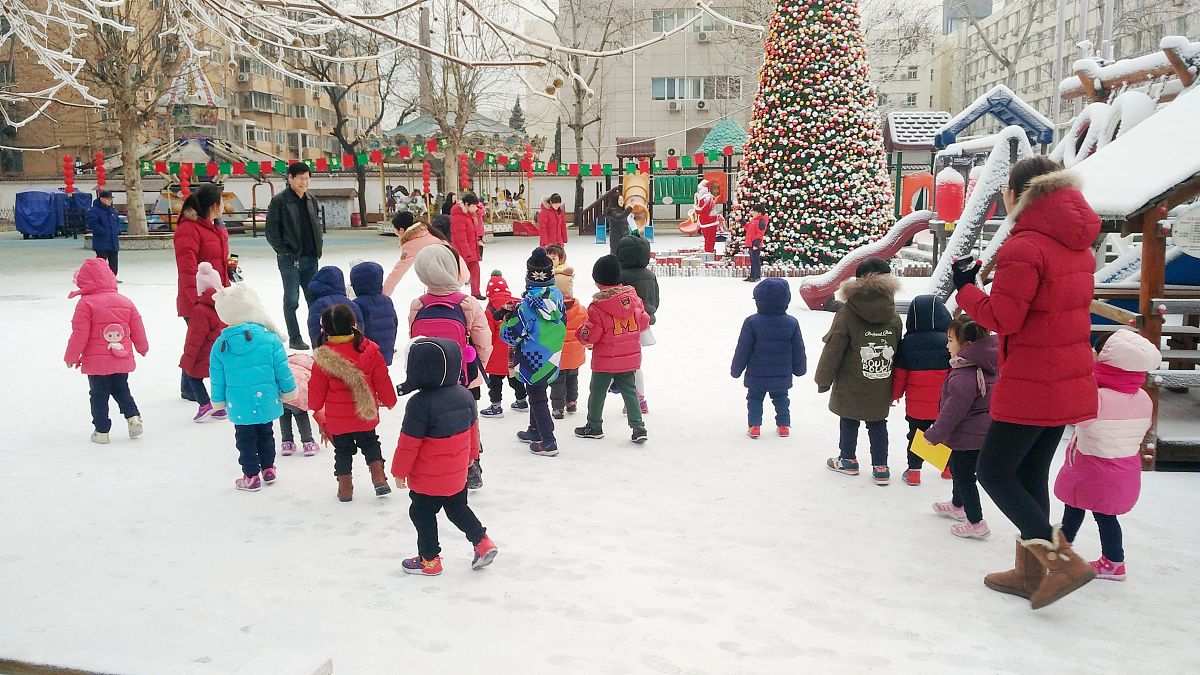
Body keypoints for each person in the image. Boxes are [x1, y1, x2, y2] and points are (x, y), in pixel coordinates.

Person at [953, 157, 1100, 609]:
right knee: (1030, 471)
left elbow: (1003, 318)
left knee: (993, 471)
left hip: (1033, 381)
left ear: (1018, 194)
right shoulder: (1077, 246)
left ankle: (1059, 562)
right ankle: (1031, 575)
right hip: (1067, 379)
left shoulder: (1025, 246)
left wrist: (966, 288)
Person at [1055, 329, 1159, 582]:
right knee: (1101, 514)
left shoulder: (1097, 397)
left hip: (1091, 466)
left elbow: (1076, 417)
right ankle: (1108, 559)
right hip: (1123, 467)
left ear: (1108, 359)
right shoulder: (1144, 398)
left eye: (1096, 351)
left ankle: (1068, 553)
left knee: (1077, 507)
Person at [392, 337, 498, 576]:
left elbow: (409, 444)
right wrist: (472, 457)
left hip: (427, 480)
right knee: (458, 509)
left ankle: (429, 560)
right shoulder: (465, 395)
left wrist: (399, 472)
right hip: (457, 474)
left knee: (421, 513)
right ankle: (482, 542)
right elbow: (473, 431)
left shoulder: (419, 404)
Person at [816, 258, 902, 485]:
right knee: (878, 422)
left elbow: (834, 348)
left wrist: (823, 379)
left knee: (849, 418)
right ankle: (881, 467)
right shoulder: (893, 317)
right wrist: (897, 385)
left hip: (850, 381)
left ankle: (848, 459)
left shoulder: (846, 314)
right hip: (881, 382)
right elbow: (898, 351)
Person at [208, 283, 298, 492]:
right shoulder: (270, 339)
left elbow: (217, 376)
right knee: (266, 432)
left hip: (238, 402)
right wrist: (288, 390)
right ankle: (268, 468)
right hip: (266, 398)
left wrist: (218, 401)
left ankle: (251, 475)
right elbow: (281, 368)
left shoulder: (221, 345)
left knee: (245, 438)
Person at [309, 305, 398, 502]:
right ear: (353, 324)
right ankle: (379, 479)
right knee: (371, 444)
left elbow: (316, 390)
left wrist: (314, 405)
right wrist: (390, 400)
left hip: (338, 420)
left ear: (324, 329)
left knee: (342, 451)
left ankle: (345, 489)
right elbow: (382, 379)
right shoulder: (369, 350)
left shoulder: (322, 358)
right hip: (364, 413)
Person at [926, 316, 998, 539]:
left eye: (950, 340)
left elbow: (953, 411)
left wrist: (935, 434)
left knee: (964, 475)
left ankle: (976, 521)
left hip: (967, 436)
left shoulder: (964, 376)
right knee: (960, 470)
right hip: (982, 433)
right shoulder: (987, 366)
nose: (947, 345)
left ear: (967, 345)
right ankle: (958, 505)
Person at [64, 258, 149, 444]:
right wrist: (142, 347)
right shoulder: (125, 301)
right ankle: (133, 417)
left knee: (98, 395)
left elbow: (79, 334)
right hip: (121, 357)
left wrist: (71, 356)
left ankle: (101, 431)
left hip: (97, 363)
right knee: (122, 389)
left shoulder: (86, 304)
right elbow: (137, 326)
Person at [575, 254, 650, 444]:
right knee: (630, 391)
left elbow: (592, 335)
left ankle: (594, 425)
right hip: (629, 358)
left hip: (605, 360)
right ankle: (638, 426)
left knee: (597, 392)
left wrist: (580, 333)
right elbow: (643, 322)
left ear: (597, 282)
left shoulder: (598, 307)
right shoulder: (634, 300)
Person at [500, 248, 567, 457]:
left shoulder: (526, 307)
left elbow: (511, 336)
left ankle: (548, 441)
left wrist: (505, 321)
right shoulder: (557, 298)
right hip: (552, 356)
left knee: (537, 398)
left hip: (532, 359)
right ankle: (534, 429)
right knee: (538, 392)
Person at [730, 278, 807, 439]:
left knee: (754, 398)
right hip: (781, 373)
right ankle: (784, 426)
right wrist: (800, 369)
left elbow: (743, 348)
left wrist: (736, 369)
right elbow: (798, 348)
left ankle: (754, 426)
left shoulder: (752, 322)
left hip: (757, 373)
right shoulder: (792, 323)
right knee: (781, 398)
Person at [174, 184, 230, 400]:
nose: (224, 205)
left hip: (217, 296)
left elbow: (218, 260)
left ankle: (189, 385)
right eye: (222, 201)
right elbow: (187, 269)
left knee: (203, 341)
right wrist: (198, 301)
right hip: (197, 300)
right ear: (214, 205)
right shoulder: (188, 229)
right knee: (199, 342)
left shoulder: (215, 226)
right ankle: (190, 386)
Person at [891, 295, 952, 486]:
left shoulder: (907, 343)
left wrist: (895, 394)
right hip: (945, 403)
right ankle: (948, 468)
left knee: (917, 435)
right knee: (947, 433)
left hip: (917, 406)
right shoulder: (949, 341)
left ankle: (914, 472)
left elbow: (900, 374)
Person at [266, 162, 323, 351]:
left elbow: (316, 226)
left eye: (307, 178)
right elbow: (271, 231)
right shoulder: (279, 201)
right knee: (292, 300)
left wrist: (318, 248)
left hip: (311, 258)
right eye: (301, 178)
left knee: (314, 300)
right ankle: (295, 337)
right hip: (290, 259)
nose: (304, 182)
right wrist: (284, 251)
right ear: (290, 178)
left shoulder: (311, 200)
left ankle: (317, 336)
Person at [179, 262, 228, 422]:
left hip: (204, 353)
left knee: (193, 378)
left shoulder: (200, 310)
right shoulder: (224, 305)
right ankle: (219, 406)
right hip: (221, 351)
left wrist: (187, 358)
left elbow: (194, 338)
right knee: (218, 378)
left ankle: (205, 404)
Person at [617, 232, 659, 413]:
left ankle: (629, 396)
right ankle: (639, 398)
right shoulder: (650, 275)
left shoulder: (621, 275)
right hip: (643, 323)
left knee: (623, 362)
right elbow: (656, 299)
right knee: (634, 363)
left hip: (624, 325)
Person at [382, 213, 468, 296]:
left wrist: (383, 295)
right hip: (459, 272)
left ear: (401, 230)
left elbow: (397, 273)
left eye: (394, 228)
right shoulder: (426, 233)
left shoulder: (412, 244)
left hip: (449, 278)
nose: (394, 231)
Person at [480, 271, 528, 418]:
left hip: (497, 355)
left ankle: (496, 406)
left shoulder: (490, 311)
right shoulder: (517, 305)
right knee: (515, 378)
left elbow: (488, 335)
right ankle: (522, 402)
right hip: (515, 350)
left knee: (495, 382)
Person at [551, 266, 587, 419]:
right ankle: (571, 401)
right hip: (575, 355)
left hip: (557, 355)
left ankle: (558, 407)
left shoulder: (551, 311)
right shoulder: (581, 310)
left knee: (557, 382)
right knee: (573, 378)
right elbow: (587, 330)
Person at [350, 262, 399, 366]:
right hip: (385, 353)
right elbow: (394, 324)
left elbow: (357, 331)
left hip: (365, 355)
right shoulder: (387, 301)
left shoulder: (356, 304)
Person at [306, 266, 364, 350]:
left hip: (330, 353)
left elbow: (315, 332)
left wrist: (319, 351)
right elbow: (360, 327)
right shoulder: (351, 303)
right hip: (354, 351)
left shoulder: (317, 305)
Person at [280, 353, 319, 457]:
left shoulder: (286, 363)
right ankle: (308, 443)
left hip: (284, 394)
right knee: (301, 415)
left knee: (284, 416)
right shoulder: (310, 365)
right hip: (299, 396)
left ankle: (287, 443)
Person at [450, 192, 486, 298]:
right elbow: (461, 238)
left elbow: (472, 232)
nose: (475, 208)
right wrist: (467, 253)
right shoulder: (458, 217)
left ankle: (476, 292)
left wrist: (477, 241)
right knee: (459, 274)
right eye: (473, 206)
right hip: (462, 252)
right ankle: (453, 294)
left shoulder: (469, 215)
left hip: (472, 250)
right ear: (466, 204)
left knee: (476, 271)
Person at [88, 189, 122, 279]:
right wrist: (103, 232)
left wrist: (117, 231)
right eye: (108, 199)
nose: (110, 201)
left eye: (111, 199)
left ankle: (112, 278)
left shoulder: (113, 210)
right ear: (102, 199)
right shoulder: (94, 211)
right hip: (101, 241)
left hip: (113, 241)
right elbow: (93, 225)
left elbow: (117, 222)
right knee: (101, 262)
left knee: (114, 261)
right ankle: (98, 278)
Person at [691, 179, 722, 254]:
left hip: (708, 221)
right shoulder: (704, 198)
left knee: (709, 239)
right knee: (709, 238)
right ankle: (708, 251)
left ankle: (708, 252)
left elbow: (704, 210)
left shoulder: (707, 198)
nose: (698, 191)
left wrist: (696, 208)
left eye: (699, 189)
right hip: (707, 221)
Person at [742, 204, 768, 282]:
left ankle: (757, 276)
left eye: (754, 212)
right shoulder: (754, 220)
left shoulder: (761, 221)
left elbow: (760, 233)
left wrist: (756, 244)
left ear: (759, 213)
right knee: (752, 260)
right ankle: (752, 275)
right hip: (751, 243)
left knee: (755, 260)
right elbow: (748, 227)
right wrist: (741, 221)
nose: (752, 213)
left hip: (755, 244)